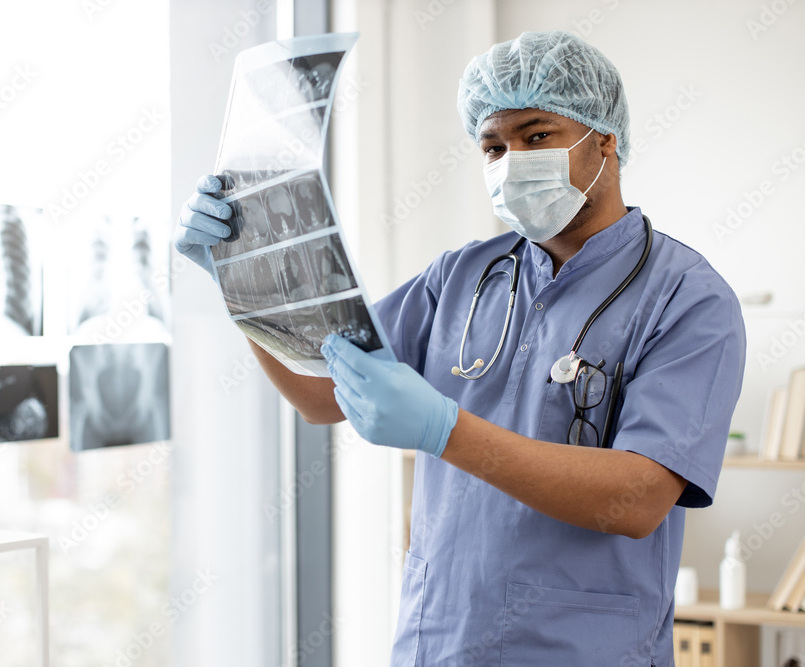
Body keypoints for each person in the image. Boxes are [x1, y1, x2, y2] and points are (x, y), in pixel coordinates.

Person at [175, 30, 746, 667]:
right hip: (442, 642)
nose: (511, 161)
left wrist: (445, 431)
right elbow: (322, 392)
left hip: (584, 649)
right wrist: (242, 284)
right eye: (493, 146)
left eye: (536, 136)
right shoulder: (462, 276)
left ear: (604, 139)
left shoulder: (688, 299)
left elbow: (638, 497)